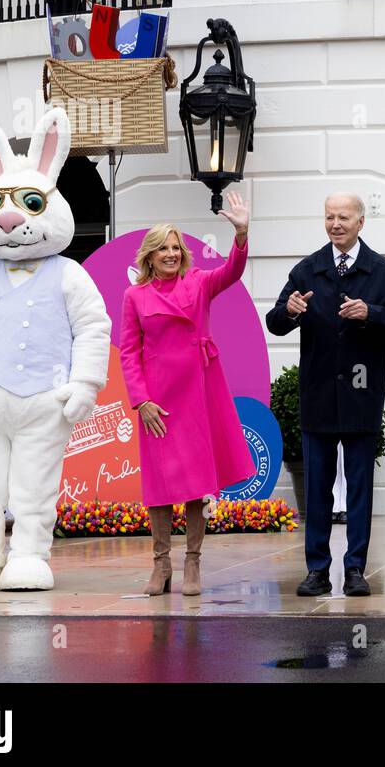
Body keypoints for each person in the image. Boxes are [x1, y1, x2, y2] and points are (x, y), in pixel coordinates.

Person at [266, 194, 385, 598]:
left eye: (344, 217)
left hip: (360, 395)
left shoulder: (383, 272)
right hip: (317, 396)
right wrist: (292, 310)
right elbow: (275, 322)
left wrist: (372, 314)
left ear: (361, 222)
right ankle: (316, 569)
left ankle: (354, 570)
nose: (335, 224)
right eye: (329, 217)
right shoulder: (308, 269)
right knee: (316, 489)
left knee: (359, 488)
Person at [119, 191, 255, 597]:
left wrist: (242, 233)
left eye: (176, 247)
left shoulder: (198, 283)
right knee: (160, 487)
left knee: (196, 484)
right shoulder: (134, 296)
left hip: (198, 390)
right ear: (149, 255)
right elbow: (129, 350)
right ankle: (161, 567)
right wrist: (140, 401)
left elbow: (231, 271)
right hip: (157, 399)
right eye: (163, 248)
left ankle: (192, 564)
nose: (172, 254)